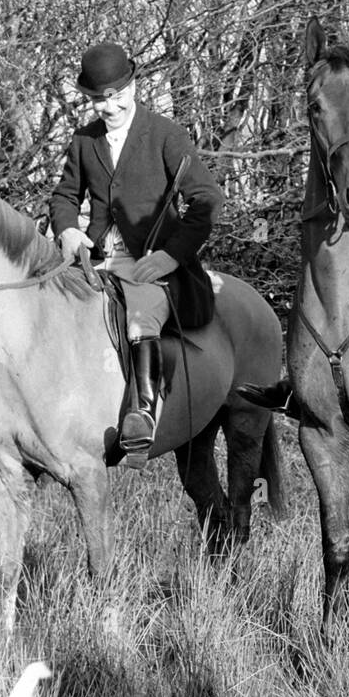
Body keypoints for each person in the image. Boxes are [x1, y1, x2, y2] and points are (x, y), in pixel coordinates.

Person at [50, 42, 223, 461]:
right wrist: (69, 231)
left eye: (116, 95)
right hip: (95, 258)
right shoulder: (83, 141)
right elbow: (64, 197)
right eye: (97, 99)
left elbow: (208, 200)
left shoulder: (165, 134)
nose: (108, 106)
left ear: (134, 85)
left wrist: (171, 255)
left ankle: (142, 413)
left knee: (142, 309)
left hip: (153, 259)